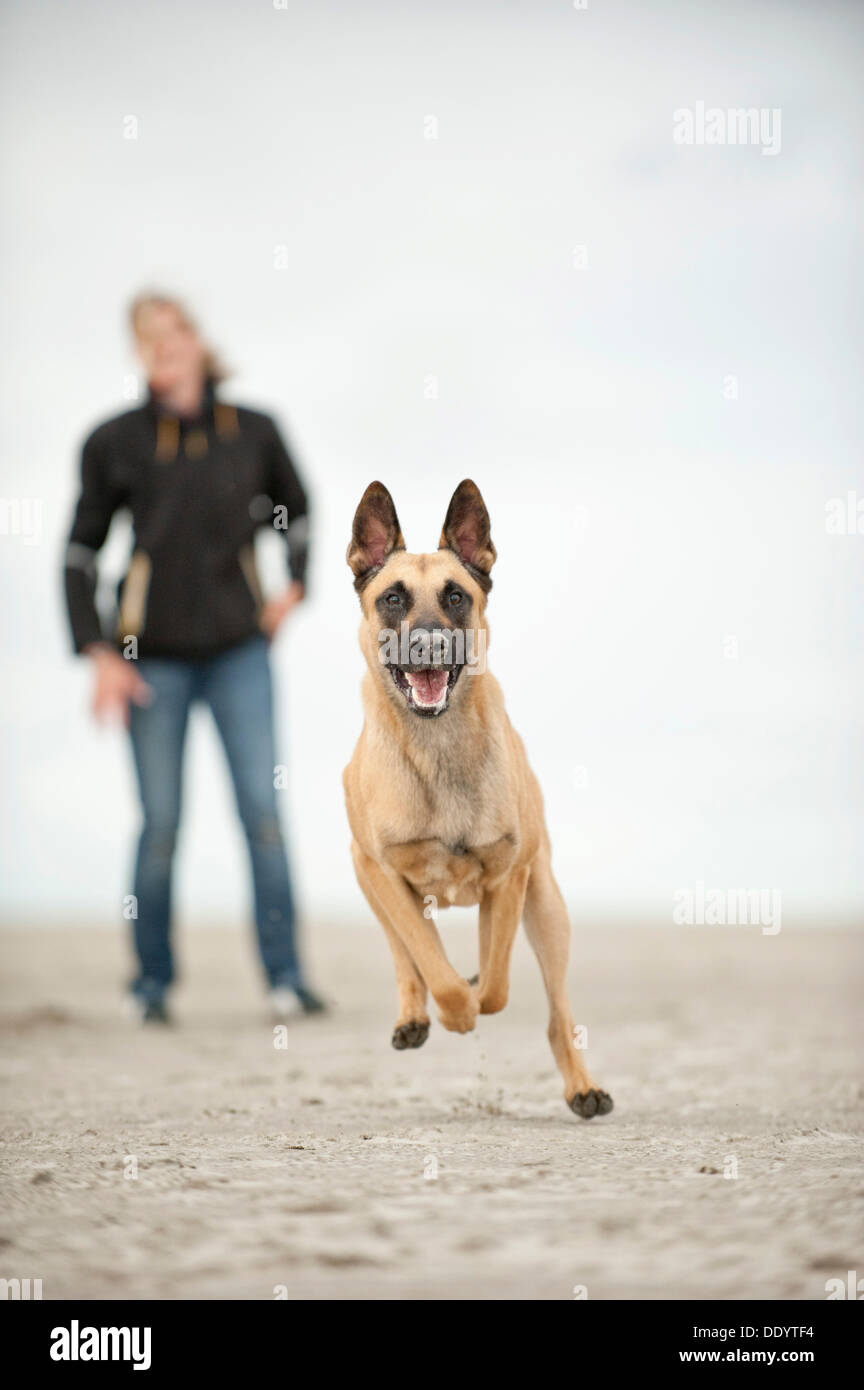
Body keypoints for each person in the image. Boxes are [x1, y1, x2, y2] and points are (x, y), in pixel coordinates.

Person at [63, 292, 324, 1023]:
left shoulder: (255, 432)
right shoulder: (113, 443)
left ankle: (285, 980)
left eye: (173, 331)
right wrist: (99, 653)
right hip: (151, 664)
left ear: (197, 341)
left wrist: (295, 585)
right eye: (146, 338)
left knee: (263, 814)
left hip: (242, 651)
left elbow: (296, 510)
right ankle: (150, 989)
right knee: (160, 824)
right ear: (137, 354)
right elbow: (78, 555)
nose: (162, 346)